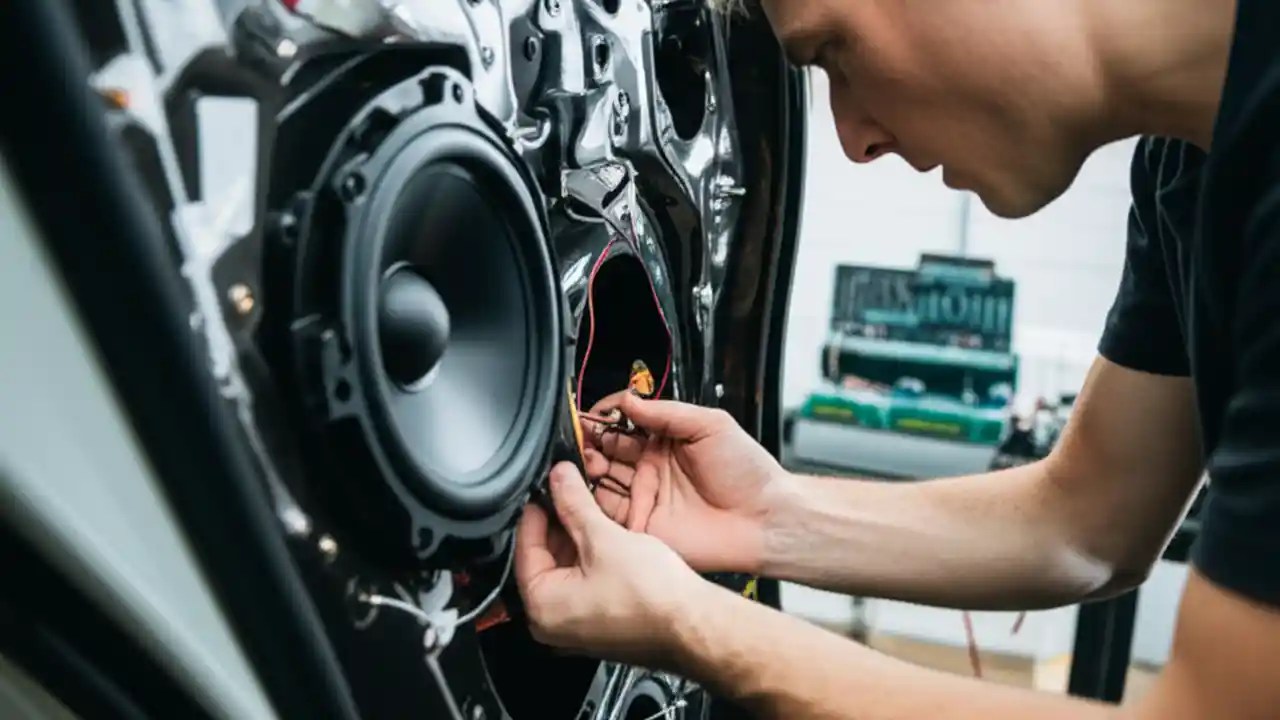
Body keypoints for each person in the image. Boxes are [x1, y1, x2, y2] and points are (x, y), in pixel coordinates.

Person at [514, 0, 1280, 716]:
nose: (854, 139)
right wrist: (770, 516)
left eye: (834, 53)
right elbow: (1088, 524)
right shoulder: (1190, 170)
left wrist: (692, 625)